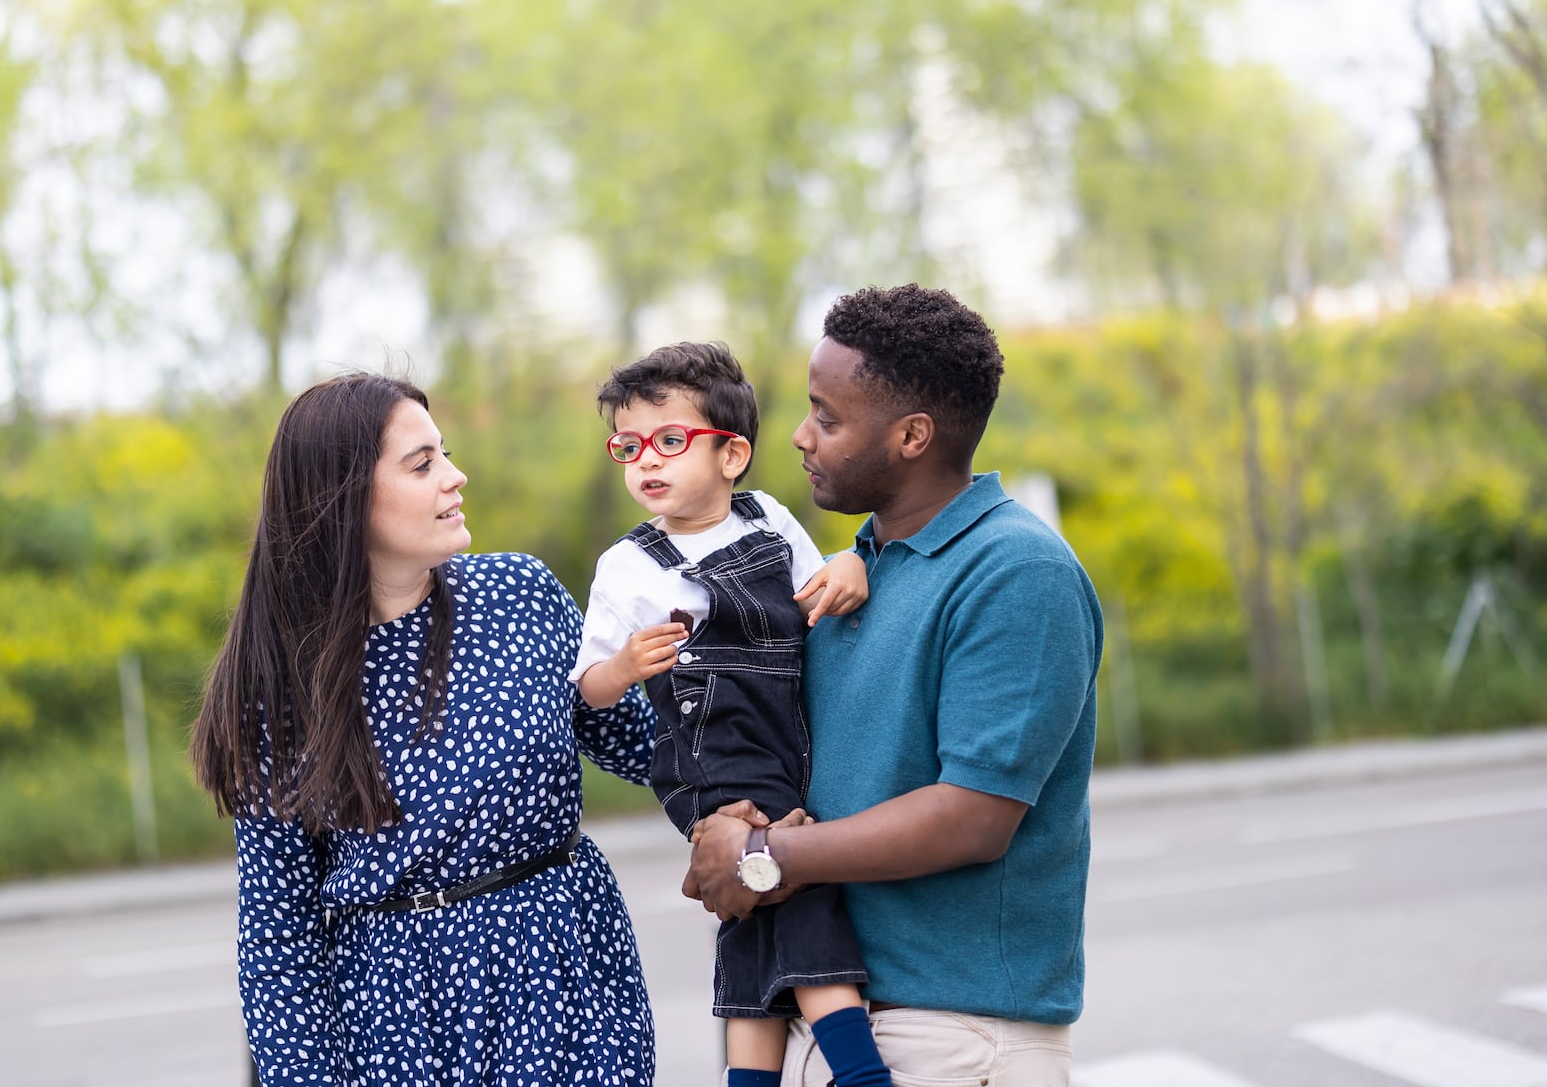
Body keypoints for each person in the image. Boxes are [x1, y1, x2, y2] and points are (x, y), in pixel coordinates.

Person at [684, 285, 1103, 1087]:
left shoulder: (1017, 571)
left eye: (828, 417)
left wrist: (765, 856)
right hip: (833, 1019)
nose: (802, 436)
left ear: (913, 435)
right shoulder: (852, 572)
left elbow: (971, 817)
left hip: (955, 1036)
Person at [191, 372, 658, 1086]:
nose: (455, 476)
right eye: (423, 464)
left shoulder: (520, 594)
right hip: (397, 1022)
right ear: (345, 498)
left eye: (444, 453)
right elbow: (278, 938)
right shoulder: (282, 687)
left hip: (564, 978)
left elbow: (644, 743)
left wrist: (761, 826)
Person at [571, 342, 891, 1087]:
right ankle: (860, 1071)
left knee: (754, 911)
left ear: (732, 453)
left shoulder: (768, 519)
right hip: (711, 755)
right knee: (796, 887)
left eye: (670, 440)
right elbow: (587, 688)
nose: (646, 460)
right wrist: (623, 667)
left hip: (785, 739)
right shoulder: (628, 565)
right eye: (628, 446)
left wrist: (851, 564)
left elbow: (820, 595)